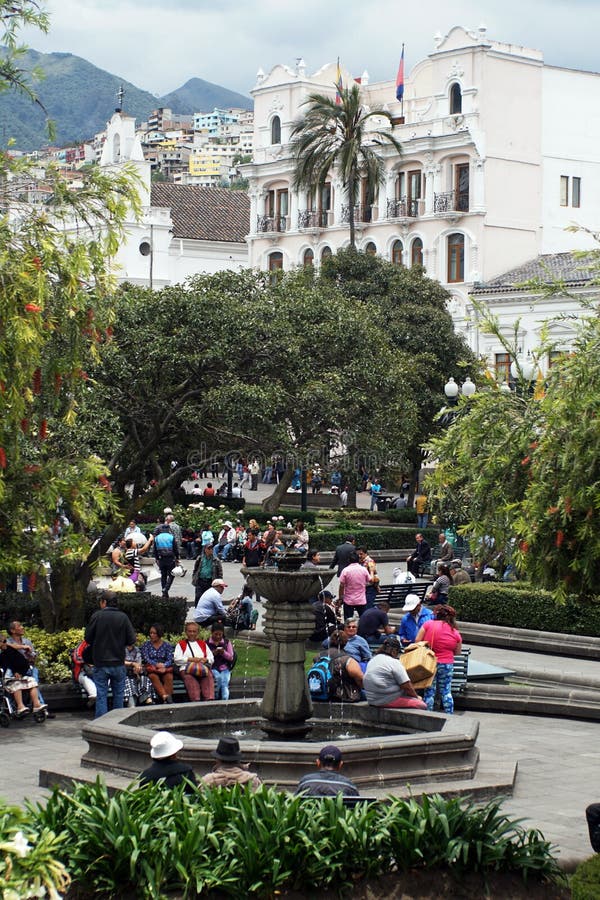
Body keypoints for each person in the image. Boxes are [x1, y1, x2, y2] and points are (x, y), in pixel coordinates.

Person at [84, 591, 136, 718]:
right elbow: (131, 640)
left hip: (100, 662)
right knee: (119, 695)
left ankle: (101, 723)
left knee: (101, 695)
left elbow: (88, 638)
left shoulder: (97, 616)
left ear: (104, 602)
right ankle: (116, 723)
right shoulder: (123, 617)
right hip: (118, 662)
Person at [415, 604, 462, 714]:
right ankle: (449, 714)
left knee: (429, 691)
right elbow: (457, 652)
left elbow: (417, 641)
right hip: (446, 664)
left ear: (437, 615)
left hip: (430, 663)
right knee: (446, 691)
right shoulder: (455, 632)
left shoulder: (428, 624)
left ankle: (428, 714)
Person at [363, 635, 427, 709]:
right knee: (422, 705)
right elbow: (407, 686)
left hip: (372, 700)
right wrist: (416, 697)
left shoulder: (373, 659)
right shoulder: (394, 662)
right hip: (386, 700)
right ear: (394, 651)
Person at [6, 620, 54, 716]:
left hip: (28, 667)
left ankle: (38, 706)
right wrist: (22, 647)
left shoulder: (27, 641)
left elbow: (33, 657)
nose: (22, 627)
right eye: (19, 626)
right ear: (12, 630)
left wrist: (30, 655)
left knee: (34, 681)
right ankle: (38, 708)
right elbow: (7, 647)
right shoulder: (7, 641)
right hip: (14, 668)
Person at [0, 636, 47, 717]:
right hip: (7, 678)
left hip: (19, 673)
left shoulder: (10, 650)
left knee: (32, 681)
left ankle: (36, 705)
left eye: (5, 641)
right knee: (16, 684)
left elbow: (21, 662)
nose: (5, 643)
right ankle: (20, 706)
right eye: (3, 642)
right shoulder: (2, 655)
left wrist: (19, 672)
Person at [174, 621, 215, 701]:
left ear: (197, 632)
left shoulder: (202, 644)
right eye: (190, 631)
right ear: (186, 632)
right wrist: (190, 659)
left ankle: (209, 699)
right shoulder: (181, 644)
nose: (192, 633)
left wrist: (206, 659)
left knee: (208, 676)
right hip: (187, 669)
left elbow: (211, 658)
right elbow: (177, 659)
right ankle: (196, 700)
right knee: (190, 679)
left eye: (194, 631)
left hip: (202, 668)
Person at [140, 624, 175, 704]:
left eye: (154, 633)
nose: (151, 635)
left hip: (164, 668)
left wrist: (164, 665)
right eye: (150, 633)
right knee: (153, 676)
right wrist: (156, 665)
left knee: (169, 677)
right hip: (152, 669)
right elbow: (146, 658)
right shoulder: (146, 645)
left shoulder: (167, 645)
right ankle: (165, 697)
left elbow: (170, 659)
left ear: (159, 634)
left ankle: (167, 700)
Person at [338, 551, 370, 619]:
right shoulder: (363, 570)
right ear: (358, 560)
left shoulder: (345, 570)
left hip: (349, 600)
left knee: (348, 620)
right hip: (361, 599)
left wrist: (340, 597)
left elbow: (341, 585)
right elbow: (368, 580)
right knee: (363, 619)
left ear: (349, 560)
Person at [153, 518, 181, 599]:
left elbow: (154, 550)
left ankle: (164, 591)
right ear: (168, 529)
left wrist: (157, 559)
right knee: (172, 574)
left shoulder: (157, 538)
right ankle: (166, 588)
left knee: (163, 575)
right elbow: (175, 549)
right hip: (170, 558)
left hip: (161, 558)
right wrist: (177, 557)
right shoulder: (171, 537)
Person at [207, 625, 235, 700]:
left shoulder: (226, 642)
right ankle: (216, 697)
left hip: (224, 668)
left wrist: (223, 653)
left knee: (224, 683)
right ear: (212, 633)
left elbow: (231, 657)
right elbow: (205, 657)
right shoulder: (207, 643)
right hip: (213, 668)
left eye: (220, 634)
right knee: (218, 678)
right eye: (216, 634)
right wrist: (213, 653)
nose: (218, 636)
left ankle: (225, 699)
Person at [124, 639, 153, 707]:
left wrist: (137, 667)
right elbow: (120, 661)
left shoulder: (136, 649)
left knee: (144, 679)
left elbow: (139, 662)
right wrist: (132, 664)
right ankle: (132, 704)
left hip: (136, 672)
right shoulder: (121, 649)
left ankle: (146, 699)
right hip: (125, 672)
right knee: (129, 681)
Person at [71, 639, 97, 708]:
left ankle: (97, 696)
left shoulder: (103, 642)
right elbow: (76, 658)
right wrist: (87, 662)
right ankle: (94, 695)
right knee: (85, 678)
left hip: (100, 670)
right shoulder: (83, 644)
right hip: (83, 671)